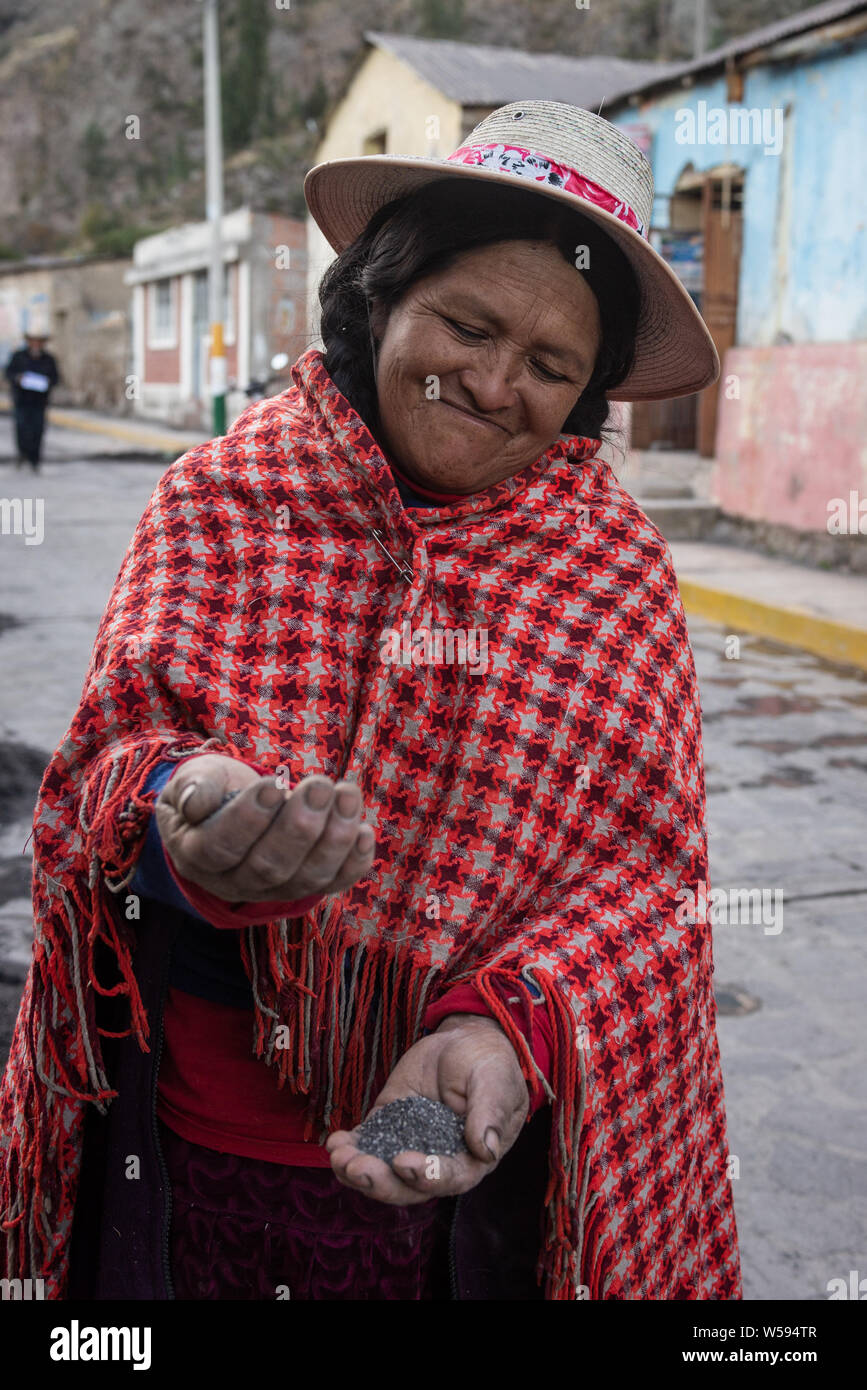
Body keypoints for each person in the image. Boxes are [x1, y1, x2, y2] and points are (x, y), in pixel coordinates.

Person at [0, 101, 742, 1301]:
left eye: (552, 367)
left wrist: (500, 1030)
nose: (497, 384)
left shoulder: (614, 573)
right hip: (187, 1158)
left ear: (589, 396)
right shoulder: (223, 498)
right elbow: (101, 762)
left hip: (460, 1188)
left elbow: (652, 887)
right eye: (468, 323)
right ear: (381, 295)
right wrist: (182, 809)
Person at [4, 330, 60, 471]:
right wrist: (18, 378)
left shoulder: (49, 359)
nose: (36, 343)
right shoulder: (18, 356)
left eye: (39, 341)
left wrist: (48, 382)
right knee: (22, 428)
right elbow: (8, 373)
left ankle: (35, 459)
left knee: (38, 430)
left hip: (39, 401)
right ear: (29, 342)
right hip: (21, 400)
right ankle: (22, 454)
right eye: (33, 340)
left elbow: (56, 378)